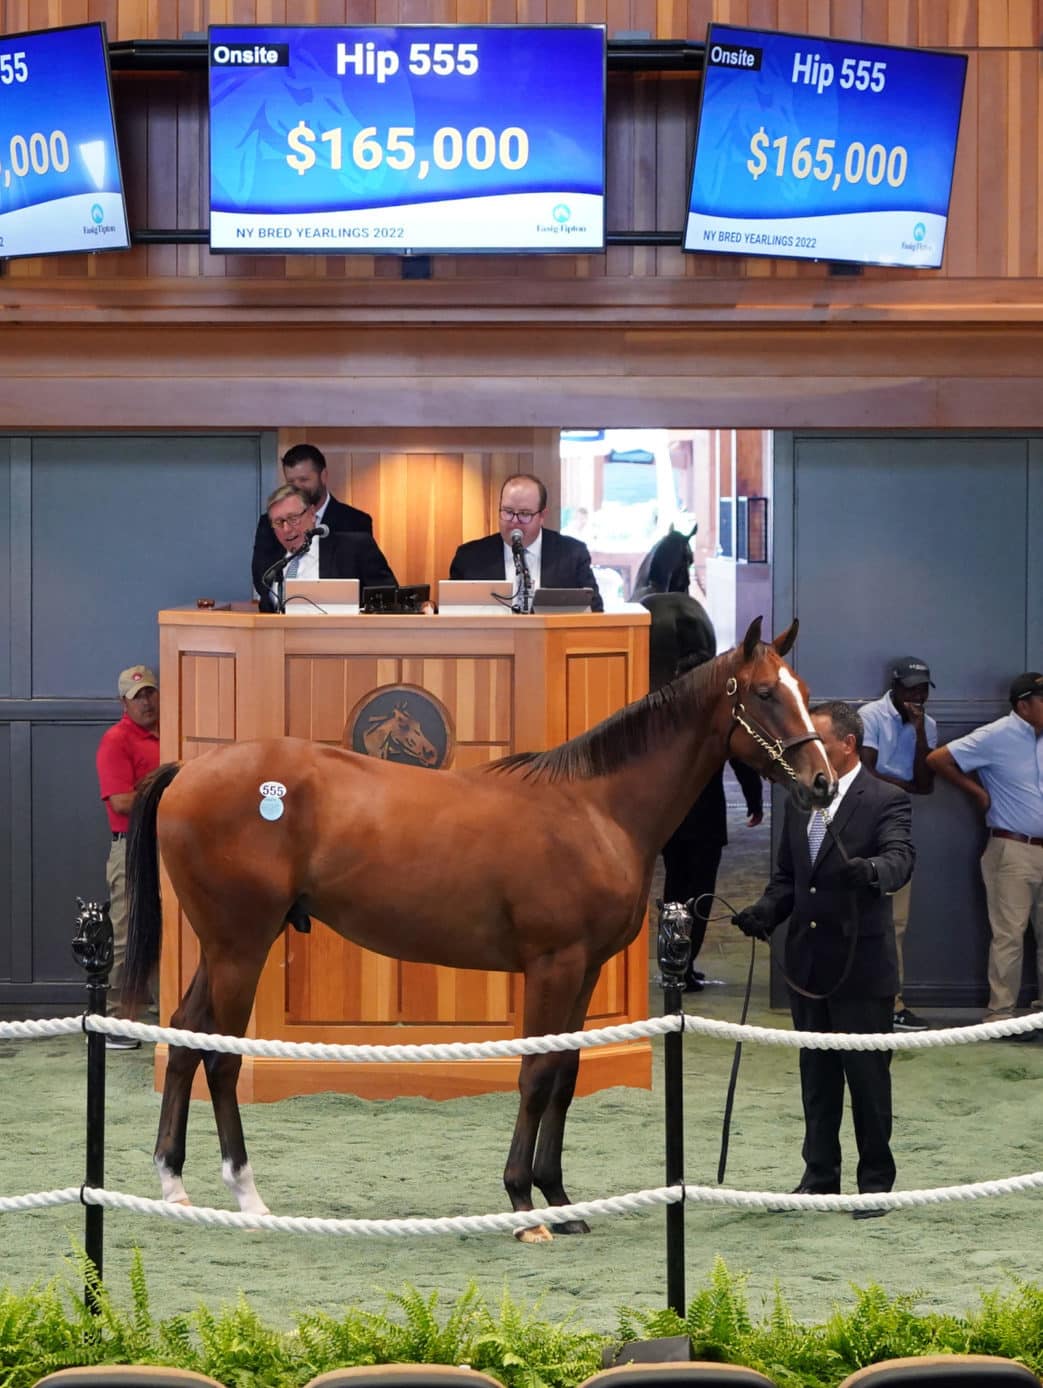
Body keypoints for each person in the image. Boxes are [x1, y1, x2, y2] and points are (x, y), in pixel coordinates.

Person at [732, 702, 914, 1215]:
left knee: (868, 1080)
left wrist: (873, 870)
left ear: (847, 745)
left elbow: (901, 859)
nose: (805, 747)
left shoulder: (886, 799)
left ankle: (876, 1185)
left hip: (862, 967)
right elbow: (788, 878)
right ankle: (819, 1178)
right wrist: (765, 911)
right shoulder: (799, 799)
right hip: (809, 966)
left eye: (818, 738)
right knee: (817, 1077)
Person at [637, 530, 762, 990]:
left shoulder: (657, 709)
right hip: (704, 810)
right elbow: (737, 747)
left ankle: (673, 962)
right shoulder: (715, 704)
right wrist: (753, 797)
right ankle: (682, 964)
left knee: (673, 888)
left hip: (666, 806)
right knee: (698, 890)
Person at [927, 672, 1043, 1036]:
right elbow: (938, 759)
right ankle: (1001, 1018)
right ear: (1023, 705)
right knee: (1009, 935)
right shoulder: (996, 735)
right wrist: (977, 794)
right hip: (1012, 849)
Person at [858, 656, 938, 1032]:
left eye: (923, 689)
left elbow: (925, 784)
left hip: (897, 830)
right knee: (855, 918)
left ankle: (893, 1005)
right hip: (862, 827)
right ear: (895, 686)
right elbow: (866, 774)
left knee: (897, 924)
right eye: (911, 688)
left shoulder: (928, 725)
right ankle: (860, 1000)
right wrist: (895, 787)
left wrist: (919, 731)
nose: (918, 695)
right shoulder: (870, 716)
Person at [95, 664, 161, 1049]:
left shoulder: (175, 730)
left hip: (168, 847)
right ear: (123, 702)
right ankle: (122, 1019)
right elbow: (121, 802)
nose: (147, 702)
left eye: (151, 693)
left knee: (169, 932)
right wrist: (174, 792)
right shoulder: (116, 741)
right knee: (127, 933)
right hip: (132, 848)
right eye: (138, 697)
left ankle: (165, 1017)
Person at [449, 473, 604, 612]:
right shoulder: (469, 557)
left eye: (524, 514)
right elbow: (450, 616)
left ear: (542, 515)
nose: (514, 522)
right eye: (508, 512)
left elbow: (594, 612)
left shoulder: (572, 554)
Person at [251, 443, 373, 600]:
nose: (297, 488)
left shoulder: (355, 521)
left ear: (323, 476)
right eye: (291, 482)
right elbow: (262, 577)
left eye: (304, 480)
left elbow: (365, 581)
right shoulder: (269, 523)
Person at [257, 485, 397, 613]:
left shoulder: (353, 549)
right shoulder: (271, 564)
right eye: (278, 522)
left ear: (312, 514)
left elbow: (391, 602)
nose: (286, 529)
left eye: (293, 518)